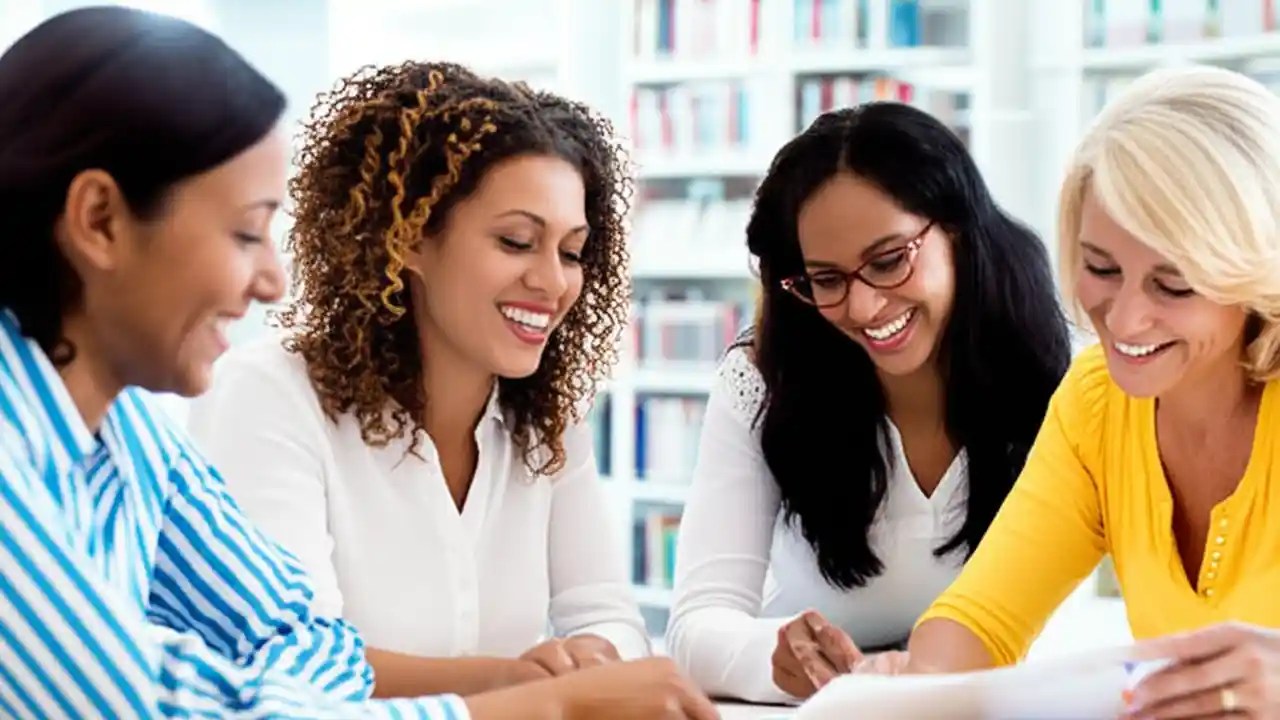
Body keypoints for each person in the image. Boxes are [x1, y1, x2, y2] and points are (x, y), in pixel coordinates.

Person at [0, 7, 719, 719]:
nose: (272, 283)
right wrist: (548, 704)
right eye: (246, 232)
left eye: (570, 250)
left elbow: (299, 645)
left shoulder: (132, 441)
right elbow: (183, 709)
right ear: (99, 220)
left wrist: (529, 685)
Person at [186, 59, 649, 698]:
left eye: (571, 252)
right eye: (517, 241)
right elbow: (290, 658)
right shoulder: (270, 395)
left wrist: (591, 659)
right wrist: (518, 684)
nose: (552, 281)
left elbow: (605, 615)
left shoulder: (548, 422)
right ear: (408, 239)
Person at [848, 65, 1280, 720]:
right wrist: (916, 685)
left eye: (1175, 285)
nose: (1126, 319)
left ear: (1255, 272)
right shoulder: (1098, 404)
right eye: (1101, 268)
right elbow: (985, 617)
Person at [665, 101, 1073, 703]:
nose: (861, 308)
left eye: (888, 261)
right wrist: (776, 657)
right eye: (826, 280)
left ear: (958, 229)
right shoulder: (762, 382)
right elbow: (695, 626)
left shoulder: (1064, 378)